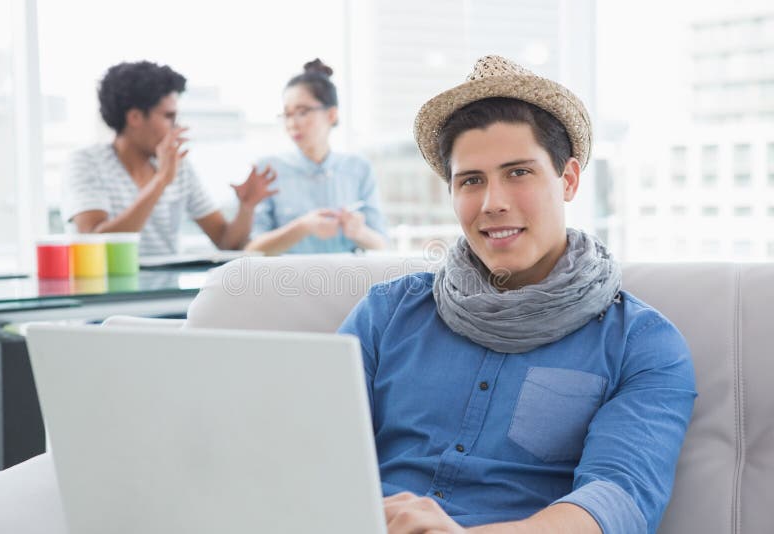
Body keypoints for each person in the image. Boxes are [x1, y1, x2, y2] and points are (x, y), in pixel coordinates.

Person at [338, 56, 696, 533]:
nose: (493, 203)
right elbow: (306, 443)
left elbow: (617, 500)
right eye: (471, 180)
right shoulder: (386, 313)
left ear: (568, 180)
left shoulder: (642, 344)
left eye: (518, 173)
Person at [62, 61, 277, 256]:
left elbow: (226, 243)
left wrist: (246, 207)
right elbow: (95, 244)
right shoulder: (87, 162)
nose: (177, 126)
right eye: (168, 116)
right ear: (135, 117)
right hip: (108, 287)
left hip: (166, 286)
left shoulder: (178, 166)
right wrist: (161, 181)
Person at [244, 59, 388, 255]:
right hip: (287, 275)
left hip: (347, 274)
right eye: (287, 114)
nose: (292, 123)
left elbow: (382, 244)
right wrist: (303, 227)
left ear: (331, 115)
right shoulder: (267, 170)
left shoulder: (358, 168)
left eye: (302, 112)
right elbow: (251, 249)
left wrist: (359, 232)